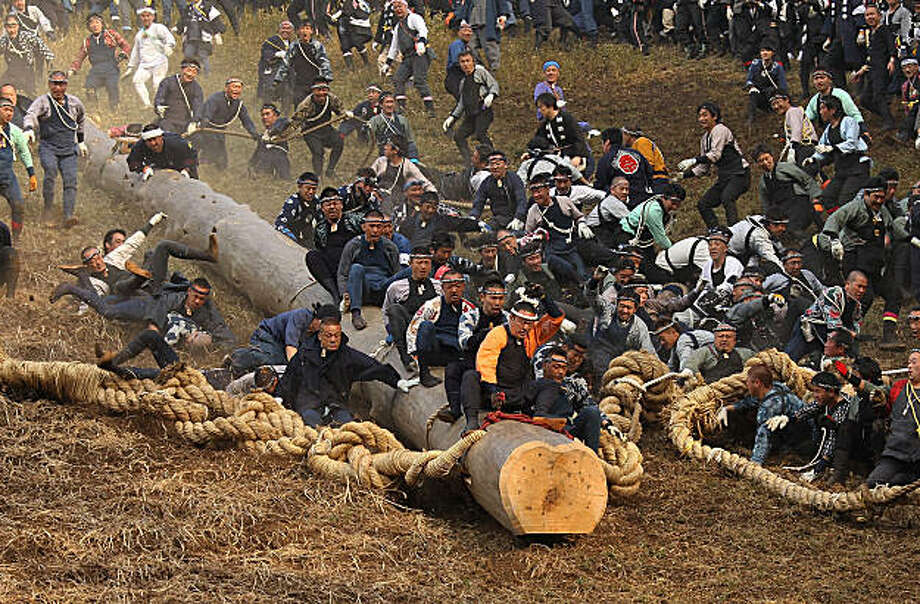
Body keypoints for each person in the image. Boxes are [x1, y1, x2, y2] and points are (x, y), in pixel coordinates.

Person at [816, 177, 905, 345]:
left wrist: (909, 237)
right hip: (855, 261)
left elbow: (893, 228)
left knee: (894, 293)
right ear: (866, 194)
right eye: (876, 197)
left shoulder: (883, 212)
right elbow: (833, 221)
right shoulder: (854, 208)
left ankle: (889, 336)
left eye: (882, 197)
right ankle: (844, 333)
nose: (879, 201)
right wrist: (833, 240)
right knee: (865, 296)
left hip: (875, 264)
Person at [276, 317, 409, 427]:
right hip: (309, 402)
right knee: (312, 426)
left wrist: (397, 381)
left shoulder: (347, 355)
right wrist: (280, 397)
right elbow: (290, 376)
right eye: (329, 336)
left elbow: (372, 366)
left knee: (348, 428)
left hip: (336, 403)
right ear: (320, 336)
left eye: (336, 336)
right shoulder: (305, 354)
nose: (333, 340)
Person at [462, 295, 564, 433]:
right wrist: (493, 391)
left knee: (550, 384)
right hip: (494, 392)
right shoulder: (497, 333)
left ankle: (540, 415)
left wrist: (544, 298)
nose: (525, 327)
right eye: (522, 322)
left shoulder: (531, 335)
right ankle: (472, 422)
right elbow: (486, 363)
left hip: (517, 392)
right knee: (470, 376)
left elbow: (556, 319)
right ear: (511, 318)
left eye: (529, 323)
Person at [96, 278, 237, 375]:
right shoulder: (173, 299)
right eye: (195, 296)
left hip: (178, 355)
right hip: (156, 328)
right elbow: (155, 319)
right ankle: (113, 359)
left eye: (202, 299)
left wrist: (208, 342)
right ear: (189, 291)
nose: (197, 301)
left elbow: (228, 339)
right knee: (112, 309)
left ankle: (113, 363)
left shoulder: (209, 314)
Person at [23, 71, 86, 229]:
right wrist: (29, 128)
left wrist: (81, 141)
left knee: (71, 181)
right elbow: (31, 114)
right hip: (49, 147)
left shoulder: (75, 103)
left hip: (69, 149)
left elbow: (81, 119)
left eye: (61, 84)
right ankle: (48, 210)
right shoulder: (43, 102)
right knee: (50, 173)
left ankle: (68, 215)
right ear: (49, 84)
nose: (58, 88)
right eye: (55, 84)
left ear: (66, 85)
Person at [766, 371, 854, 483]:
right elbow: (807, 411)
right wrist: (788, 419)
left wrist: (821, 465)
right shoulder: (825, 401)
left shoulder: (843, 408)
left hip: (848, 447)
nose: (815, 395)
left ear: (831, 392)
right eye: (814, 391)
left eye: (818, 391)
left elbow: (833, 436)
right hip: (827, 441)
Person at [677, 101, 750, 228]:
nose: (701, 119)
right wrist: (682, 175)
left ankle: (735, 231)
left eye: (705, 115)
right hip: (725, 177)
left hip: (740, 173)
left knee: (727, 197)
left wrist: (693, 160)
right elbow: (703, 168)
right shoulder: (704, 139)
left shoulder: (720, 129)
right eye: (700, 116)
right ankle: (715, 231)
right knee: (703, 204)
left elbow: (715, 155)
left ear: (714, 116)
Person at [715, 363, 805, 465]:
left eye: (748, 382)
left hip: (799, 440)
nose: (746, 385)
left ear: (757, 383)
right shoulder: (775, 387)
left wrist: (755, 462)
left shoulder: (770, 406)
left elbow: (764, 434)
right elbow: (751, 401)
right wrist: (727, 408)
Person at [228, 303, 337, 378]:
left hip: (280, 345)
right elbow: (291, 347)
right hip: (267, 335)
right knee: (272, 360)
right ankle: (236, 358)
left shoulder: (317, 334)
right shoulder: (301, 316)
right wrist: (297, 370)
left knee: (280, 367)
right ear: (318, 320)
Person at [406, 269, 474, 387]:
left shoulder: (470, 309)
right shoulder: (432, 305)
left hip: (456, 352)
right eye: (450, 287)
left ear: (463, 287)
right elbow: (413, 329)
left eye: (457, 286)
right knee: (425, 326)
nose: (454, 290)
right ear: (442, 288)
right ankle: (424, 372)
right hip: (435, 350)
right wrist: (414, 354)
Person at [803, 95, 870, 214]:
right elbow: (822, 148)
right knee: (827, 198)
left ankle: (852, 220)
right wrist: (812, 159)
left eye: (823, 108)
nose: (820, 112)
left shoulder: (849, 122)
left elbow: (852, 143)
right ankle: (838, 220)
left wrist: (833, 148)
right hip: (841, 170)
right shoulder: (828, 129)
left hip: (857, 169)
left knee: (845, 200)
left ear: (833, 110)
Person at [272, 77, 348, 179]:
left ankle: (330, 170)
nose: (322, 95)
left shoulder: (332, 99)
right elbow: (294, 124)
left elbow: (341, 111)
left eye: (324, 90)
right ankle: (318, 176)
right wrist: (281, 137)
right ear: (313, 91)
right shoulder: (305, 105)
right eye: (318, 91)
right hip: (311, 132)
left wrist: (346, 115)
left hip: (326, 129)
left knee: (339, 142)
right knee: (318, 152)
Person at [524, 172, 593, 283]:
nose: (536, 195)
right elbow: (528, 234)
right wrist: (537, 237)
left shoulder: (563, 201)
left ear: (547, 189)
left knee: (582, 272)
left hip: (570, 247)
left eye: (539, 191)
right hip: (552, 252)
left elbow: (579, 216)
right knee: (568, 270)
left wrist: (581, 224)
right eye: (533, 193)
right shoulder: (533, 211)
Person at [530, 346, 603, 452]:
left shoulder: (572, 386)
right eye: (556, 367)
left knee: (592, 411)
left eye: (564, 368)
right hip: (540, 431)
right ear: (545, 366)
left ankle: (592, 455)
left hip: (566, 431)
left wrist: (606, 423)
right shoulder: (535, 385)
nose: (560, 372)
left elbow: (589, 403)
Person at [338, 210, 401, 330]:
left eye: (379, 226)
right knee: (356, 268)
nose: (375, 230)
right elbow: (343, 273)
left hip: (382, 288)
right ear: (363, 227)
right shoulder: (353, 245)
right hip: (363, 290)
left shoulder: (390, 247)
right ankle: (356, 314)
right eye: (371, 226)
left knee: (405, 273)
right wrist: (344, 293)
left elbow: (396, 272)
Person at [866, 349, 920, 487]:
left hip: (918, 452)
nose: (909, 366)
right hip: (896, 450)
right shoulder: (899, 387)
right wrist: (882, 403)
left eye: (914, 362)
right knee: (874, 484)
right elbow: (888, 412)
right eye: (908, 363)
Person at [786, 269, 867, 360]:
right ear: (848, 284)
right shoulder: (833, 294)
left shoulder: (856, 305)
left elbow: (855, 325)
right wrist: (851, 335)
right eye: (859, 286)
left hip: (828, 335)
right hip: (809, 328)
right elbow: (833, 324)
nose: (861, 291)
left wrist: (855, 340)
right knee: (790, 359)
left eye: (864, 288)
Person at [382, 246, 441, 368]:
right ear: (410, 263)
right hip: (408, 332)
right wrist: (393, 332)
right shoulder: (397, 287)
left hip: (431, 332)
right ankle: (405, 357)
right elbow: (386, 310)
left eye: (426, 263)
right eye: (419, 263)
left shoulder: (438, 286)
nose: (423, 267)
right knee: (394, 309)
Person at [305, 187, 364, 303]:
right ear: (322, 208)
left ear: (341, 205)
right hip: (333, 269)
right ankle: (335, 294)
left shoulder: (355, 220)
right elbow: (320, 249)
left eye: (335, 203)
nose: (332, 207)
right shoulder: (320, 228)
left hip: (353, 266)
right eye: (328, 204)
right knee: (312, 256)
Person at [442, 50, 499, 167]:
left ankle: (494, 160)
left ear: (473, 61)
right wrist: (452, 117)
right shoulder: (463, 82)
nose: (465, 64)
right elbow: (462, 103)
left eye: (468, 61)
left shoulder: (481, 72)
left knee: (480, 134)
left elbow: (494, 84)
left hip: (483, 110)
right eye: (462, 62)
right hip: (470, 114)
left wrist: (491, 95)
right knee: (459, 136)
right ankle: (470, 162)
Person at [189, 77, 259, 170]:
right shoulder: (215, 98)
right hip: (205, 131)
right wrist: (202, 123)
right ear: (226, 88)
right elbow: (207, 115)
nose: (237, 90)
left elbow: (246, 120)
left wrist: (254, 133)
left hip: (220, 133)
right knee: (206, 152)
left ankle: (213, 169)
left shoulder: (239, 105)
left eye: (239, 87)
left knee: (222, 163)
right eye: (234, 86)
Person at [753, 144, 823, 237]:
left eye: (767, 158)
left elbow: (806, 180)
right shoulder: (763, 182)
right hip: (783, 211)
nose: (765, 163)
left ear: (772, 157)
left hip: (799, 203)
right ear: (757, 164)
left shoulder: (785, 168)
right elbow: (766, 204)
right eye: (761, 161)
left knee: (795, 228)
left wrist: (815, 199)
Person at [590, 289, 655, 384]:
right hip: (597, 359)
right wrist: (593, 284)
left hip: (620, 365)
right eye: (622, 306)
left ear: (635, 309)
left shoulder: (639, 327)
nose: (624, 311)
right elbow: (592, 297)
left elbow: (649, 352)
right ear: (617, 305)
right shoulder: (607, 312)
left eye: (629, 308)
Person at [67, 13, 130, 109]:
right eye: (92, 23)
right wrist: (73, 69)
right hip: (96, 70)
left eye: (97, 22)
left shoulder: (111, 35)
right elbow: (79, 57)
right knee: (89, 88)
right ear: (88, 26)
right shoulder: (87, 41)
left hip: (111, 68)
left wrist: (123, 54)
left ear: (102, 24)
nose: (95, 25)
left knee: (112, 88)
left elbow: (126, 45)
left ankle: (115, 109)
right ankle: (95, 109)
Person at [386, 0, 435, 116]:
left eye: (400, 6)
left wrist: (422, 42)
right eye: (395, 7)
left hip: (419, 54)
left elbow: (423, 30)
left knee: (419, 80)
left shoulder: (414, 18)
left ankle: (430, 110)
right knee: (398, 79)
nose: (398, 9)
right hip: (407, 57)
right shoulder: (398, 26)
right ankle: (401, 108)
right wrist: (388, 63)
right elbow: (394, 46)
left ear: (406, 6)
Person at [854, 4, 898, 132]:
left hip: (882, 69)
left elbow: (892, 46)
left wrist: (892, 60)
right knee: (864, 99)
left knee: (879, 95)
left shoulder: (884, 30)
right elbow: (870, 55)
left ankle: (889, 122)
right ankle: (887, 117)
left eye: (872, 14)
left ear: (879, 16)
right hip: (871, 70)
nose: (870, 17)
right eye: (867, 15)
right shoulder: (870, 33)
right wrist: (862, 70)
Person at [123, 7, 176, 109]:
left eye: (148, 16)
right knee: (137, 80)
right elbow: (136, 51)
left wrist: (169, 46)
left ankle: (160, 105)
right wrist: (130, 67)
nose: (146, 18)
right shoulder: (139, 34)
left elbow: (169, 38)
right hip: (145, 64)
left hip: (159, 61)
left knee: (157, 84)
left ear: (153, 17)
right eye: (143, 16)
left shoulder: (158, 28)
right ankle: (147, 104)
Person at [272, 20, 332, 108]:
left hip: (315, 82)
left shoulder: (317, 46)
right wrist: (278, 79)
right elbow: (285, 63)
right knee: (299, 105)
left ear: (311, 31)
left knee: (317, 105)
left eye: (307, 28)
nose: (304, 31)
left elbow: (324, 62)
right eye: (302, 29)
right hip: (299, 83)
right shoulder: (294, 46)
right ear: (298, 31)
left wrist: (326, 78)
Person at [0, 96, 34, 241]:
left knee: (18, 205)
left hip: (7, 177)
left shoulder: (14, 131)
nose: (9, 113)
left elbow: (24, 152)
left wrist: (31, 174)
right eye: (5, 110)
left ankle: (16, 238)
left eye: (11, 110)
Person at [593, 127, 654, 205]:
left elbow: (600, 184)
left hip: (619, 203)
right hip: (641, 201)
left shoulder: (606, 159)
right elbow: (649, 173)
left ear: (607, 142)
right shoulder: (637, 154)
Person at [370, 136, 435, 209]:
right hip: (377, 196)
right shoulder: (381, 161)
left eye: (388, 145)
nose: (385, 147)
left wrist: (433, 195)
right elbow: (369, 176)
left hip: (396, 201)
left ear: (395, 151)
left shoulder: (407, 165)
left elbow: (424, 182)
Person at [530, 93, 589, 173]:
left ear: (550, 106)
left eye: (542, 108)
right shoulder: (544, 124)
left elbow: (578, 137)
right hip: (556, 159)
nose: (540, 111)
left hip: (572, 156)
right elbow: (538, 140)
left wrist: (578, 156)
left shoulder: (566, 118)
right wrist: (530, 152)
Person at [399, 190, 482, 247]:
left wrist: (479, 225)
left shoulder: (441, 221)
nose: (430, 210)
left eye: (433, 208)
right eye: (427, 207)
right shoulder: (409, 223)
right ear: (421, 206)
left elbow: (460, 223)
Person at [470, 149, 527, 230]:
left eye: (498, 164)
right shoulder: (487, 182)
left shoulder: (514, 178)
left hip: (516, 218)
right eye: (492, 164)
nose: (495, 167)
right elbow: (479, 201)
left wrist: (518, 217)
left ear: (505, 165)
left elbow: (521, 200)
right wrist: (473, 216)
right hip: (499, 219)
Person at [0, 12, 53, 96]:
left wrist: (49, 63)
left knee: (30, 97)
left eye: (14, 26)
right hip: (11, 72)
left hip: (27, 72)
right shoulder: (4, 41)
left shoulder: (27, 36)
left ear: (18, 26)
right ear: (5, 27)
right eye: (9, 26)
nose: (11, 30)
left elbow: (44, 49)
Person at [684, 323, 754, 383]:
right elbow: (690, 366)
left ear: (734, 341)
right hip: (711, 390)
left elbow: (758, 358)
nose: (724, 339)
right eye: (721, 336)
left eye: (728, 337)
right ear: (715, 339)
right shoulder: (704, 352)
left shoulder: (744, 353)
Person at [127, 123, 199, 180]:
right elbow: (132, 161)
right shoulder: (140, 146)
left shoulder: (177, 143)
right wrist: (143, 168)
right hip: (159, 166)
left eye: (154, 139)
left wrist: (187, 169)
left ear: (161, 137)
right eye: (149, 140)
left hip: (180, 164)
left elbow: (192, 156)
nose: (153, 143)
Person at [153, 58, 203, 135]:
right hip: (168, 120)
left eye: (194, 72)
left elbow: (198, 106)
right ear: (182, 69)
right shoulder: (168, 82)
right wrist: (159, 106)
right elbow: (160, 97)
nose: (190, 74)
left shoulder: (197, 88)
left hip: (185, 123)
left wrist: (194, 122)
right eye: (189, 70)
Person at [454, 0, 508, 71]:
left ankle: (495, 70)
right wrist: (463, 19)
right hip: (472, 24)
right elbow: (466, 4)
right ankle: (479, 69)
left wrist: (503, 15)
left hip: (488, 23)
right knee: (470, 48)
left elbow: (502, 3)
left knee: (490, 48)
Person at [769, 93, 818, 168]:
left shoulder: (792, 111)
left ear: (787, 100)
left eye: (778, 102)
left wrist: (793, 148)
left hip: (804, 147)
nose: (776, 106)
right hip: (804, 147)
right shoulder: (791, 113)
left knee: (806, 172)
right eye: (773, 104)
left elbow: (796, 130)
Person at [745, 41, 789, 123]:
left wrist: (779, 95)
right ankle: (751, 118)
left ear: (772, 53)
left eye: (768, 51)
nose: (765, 53)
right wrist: (752, 87)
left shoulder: (777, 67)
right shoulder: (755, 64)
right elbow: (749, 79)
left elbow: (782, 85)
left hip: (772, 94)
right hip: (759, 93)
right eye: (762, 51)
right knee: (753, 94)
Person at [178, 0, 226, 76]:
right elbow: (183, 20)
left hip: (203, 37)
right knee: (188, 55)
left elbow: (215, 21)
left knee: (203, 56)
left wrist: (217, 34)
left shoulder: (208, 7)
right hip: (190, 37)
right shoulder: (188, 8)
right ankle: (191, 74)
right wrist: (178, 28)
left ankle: (207, 75)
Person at [367, 91, 419, 159]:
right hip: (384, 152)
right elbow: (371, 142)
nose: (390, 105)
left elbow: (410, 140)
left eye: (391, 102)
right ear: (381, 105)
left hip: (401, 152)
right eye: (387, 102)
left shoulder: (402, 120)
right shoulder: (374, 121)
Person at [275, 171, 319, 247]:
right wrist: (295, 242)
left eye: (314, 189)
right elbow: (279, 225)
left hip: (305, 237)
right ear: (299, 187)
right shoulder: (293, 203)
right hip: (288, 240)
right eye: (308, 188)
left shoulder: (316, 201)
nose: (311, 192)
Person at [621, 125, 668, 192]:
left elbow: (648, 164)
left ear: (628, 134)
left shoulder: (641, 142)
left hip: (656, 181)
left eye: (623, 134)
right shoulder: (636, 145)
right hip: (653, 181)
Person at [258, 21, 294, 102]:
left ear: (292, 31)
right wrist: (276, 54)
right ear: (279, 30)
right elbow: (265, 54)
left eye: (288, 28)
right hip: (271, 74)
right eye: (283, 28)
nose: (285, 31)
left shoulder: (292, 44)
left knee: (288, 96)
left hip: (286, 77)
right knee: (269, 96)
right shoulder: (271, 41)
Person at [334, 0, 372, 69]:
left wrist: (340, 12)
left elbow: (365, 11)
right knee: (345, 46)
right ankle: (350, 69)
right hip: (343, 24)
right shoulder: (338, 2)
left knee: (357, 42)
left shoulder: (356, 2)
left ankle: (367, 63)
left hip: (356, 25)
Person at [444, 22, 473, 99]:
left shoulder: (468, 47)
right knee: (463, 99)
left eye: (470, 31)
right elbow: (456, 62)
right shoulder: (457, 44)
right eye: (465, 30)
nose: (467, 33)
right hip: (455, 77)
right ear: (459, 33)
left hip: (462, 76)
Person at [896, 57, 919, 146]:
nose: (907, 70)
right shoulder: (905, 86)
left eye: (909, 66)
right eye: (904, 68)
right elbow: (905, 101)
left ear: (916, 67)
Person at [0, 219, 17, 297]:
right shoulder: (3, 226)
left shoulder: (3, 227)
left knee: (10, 253)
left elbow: (8, 246)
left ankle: (10, 294)